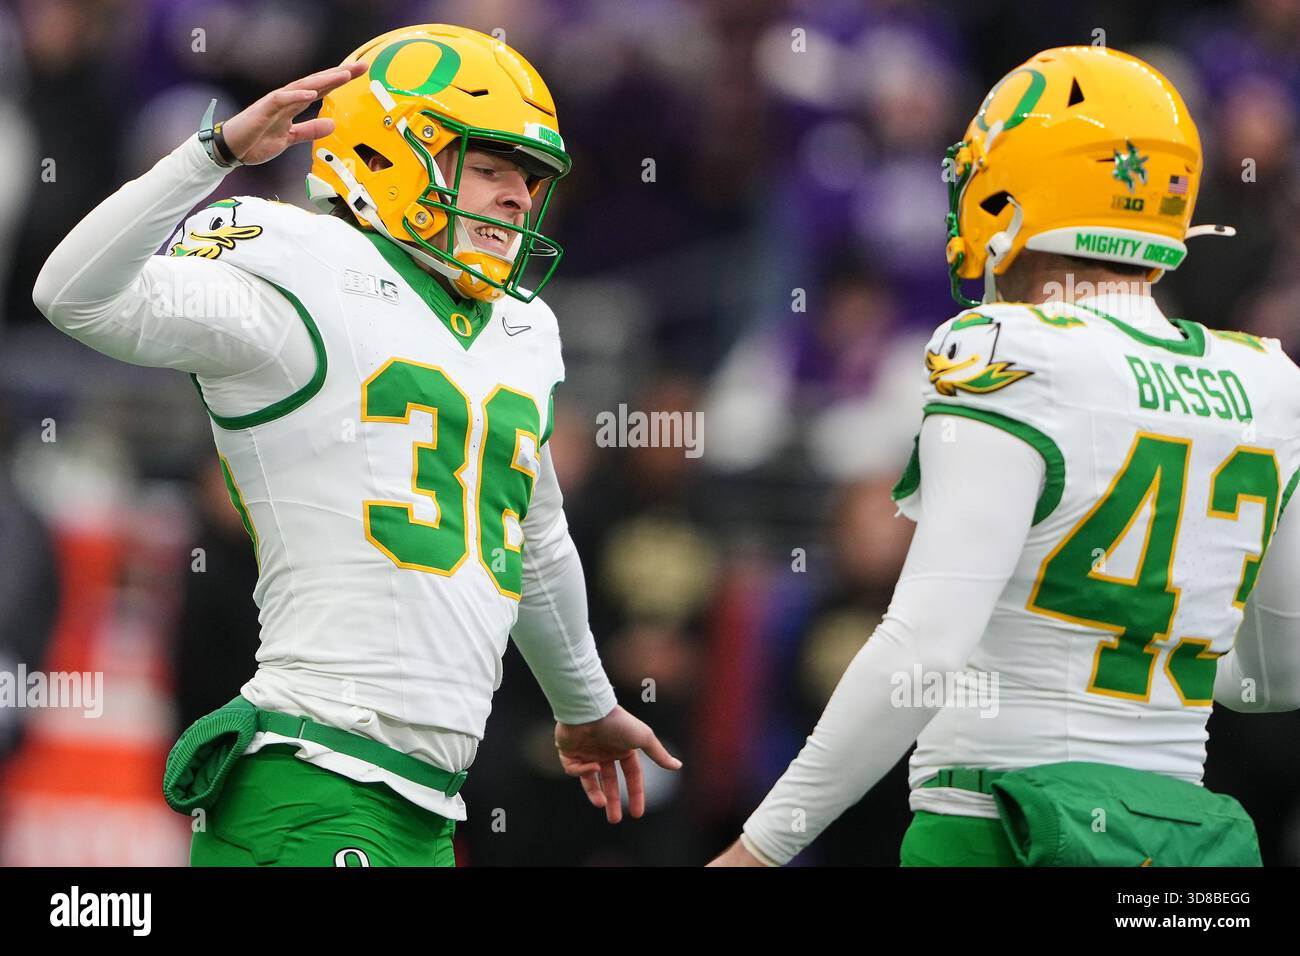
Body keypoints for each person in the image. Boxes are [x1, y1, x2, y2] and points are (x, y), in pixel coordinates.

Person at [34, 23, 679, 867]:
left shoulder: (520, 332)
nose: (519, 198)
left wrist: (585, 706)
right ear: (389, 152)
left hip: (425, 807)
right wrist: (210, 156)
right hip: (312, 776)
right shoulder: (303, 268)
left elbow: (533, 533)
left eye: (530, 178)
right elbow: (73, 295)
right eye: (490, 167)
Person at [711, 45, 1300, 867]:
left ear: (1027, 187)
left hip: (1003, 824)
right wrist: (1161, 650)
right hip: (1184, 847)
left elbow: (924, 647)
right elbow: (1278, 676)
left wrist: (762, 847)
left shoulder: (1012, 349)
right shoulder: (1267, 379)